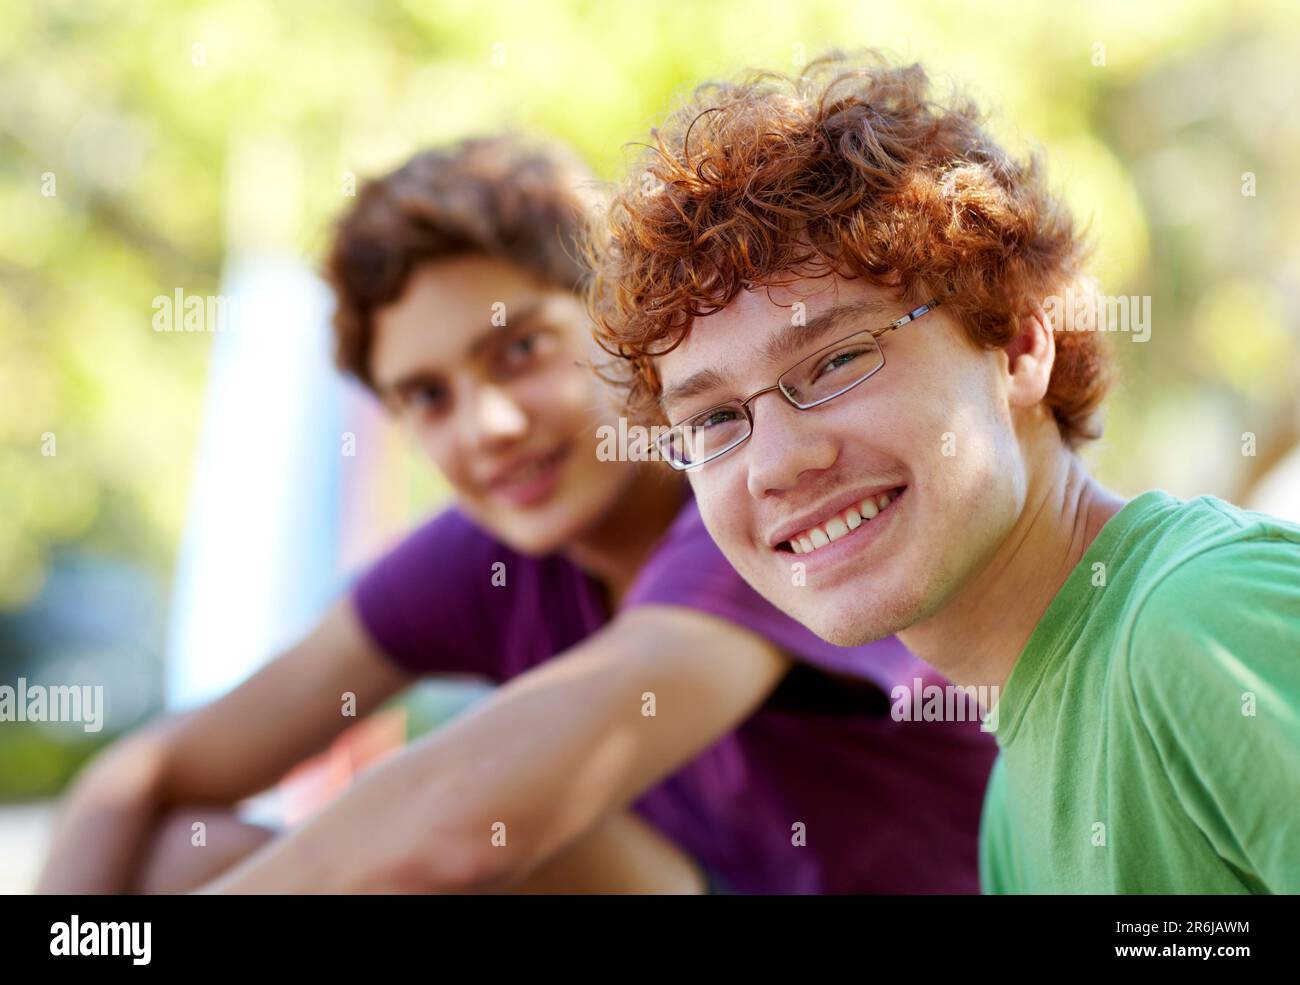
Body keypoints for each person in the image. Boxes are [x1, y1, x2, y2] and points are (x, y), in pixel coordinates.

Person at [37, 135, 995, 895]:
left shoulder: (756, 502)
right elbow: (145, 772)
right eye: (427, 397)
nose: (489, 425)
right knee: (176, 856)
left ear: (623, 332)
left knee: (482, 830)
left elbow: (452, 833)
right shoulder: (485, 554)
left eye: (520, 350)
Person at [587, 52, 1300, 894]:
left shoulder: (1200, 624)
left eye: (838, 360)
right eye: (712, 420)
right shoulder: (1013, 798)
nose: (776, 463)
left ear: (1020, 344)